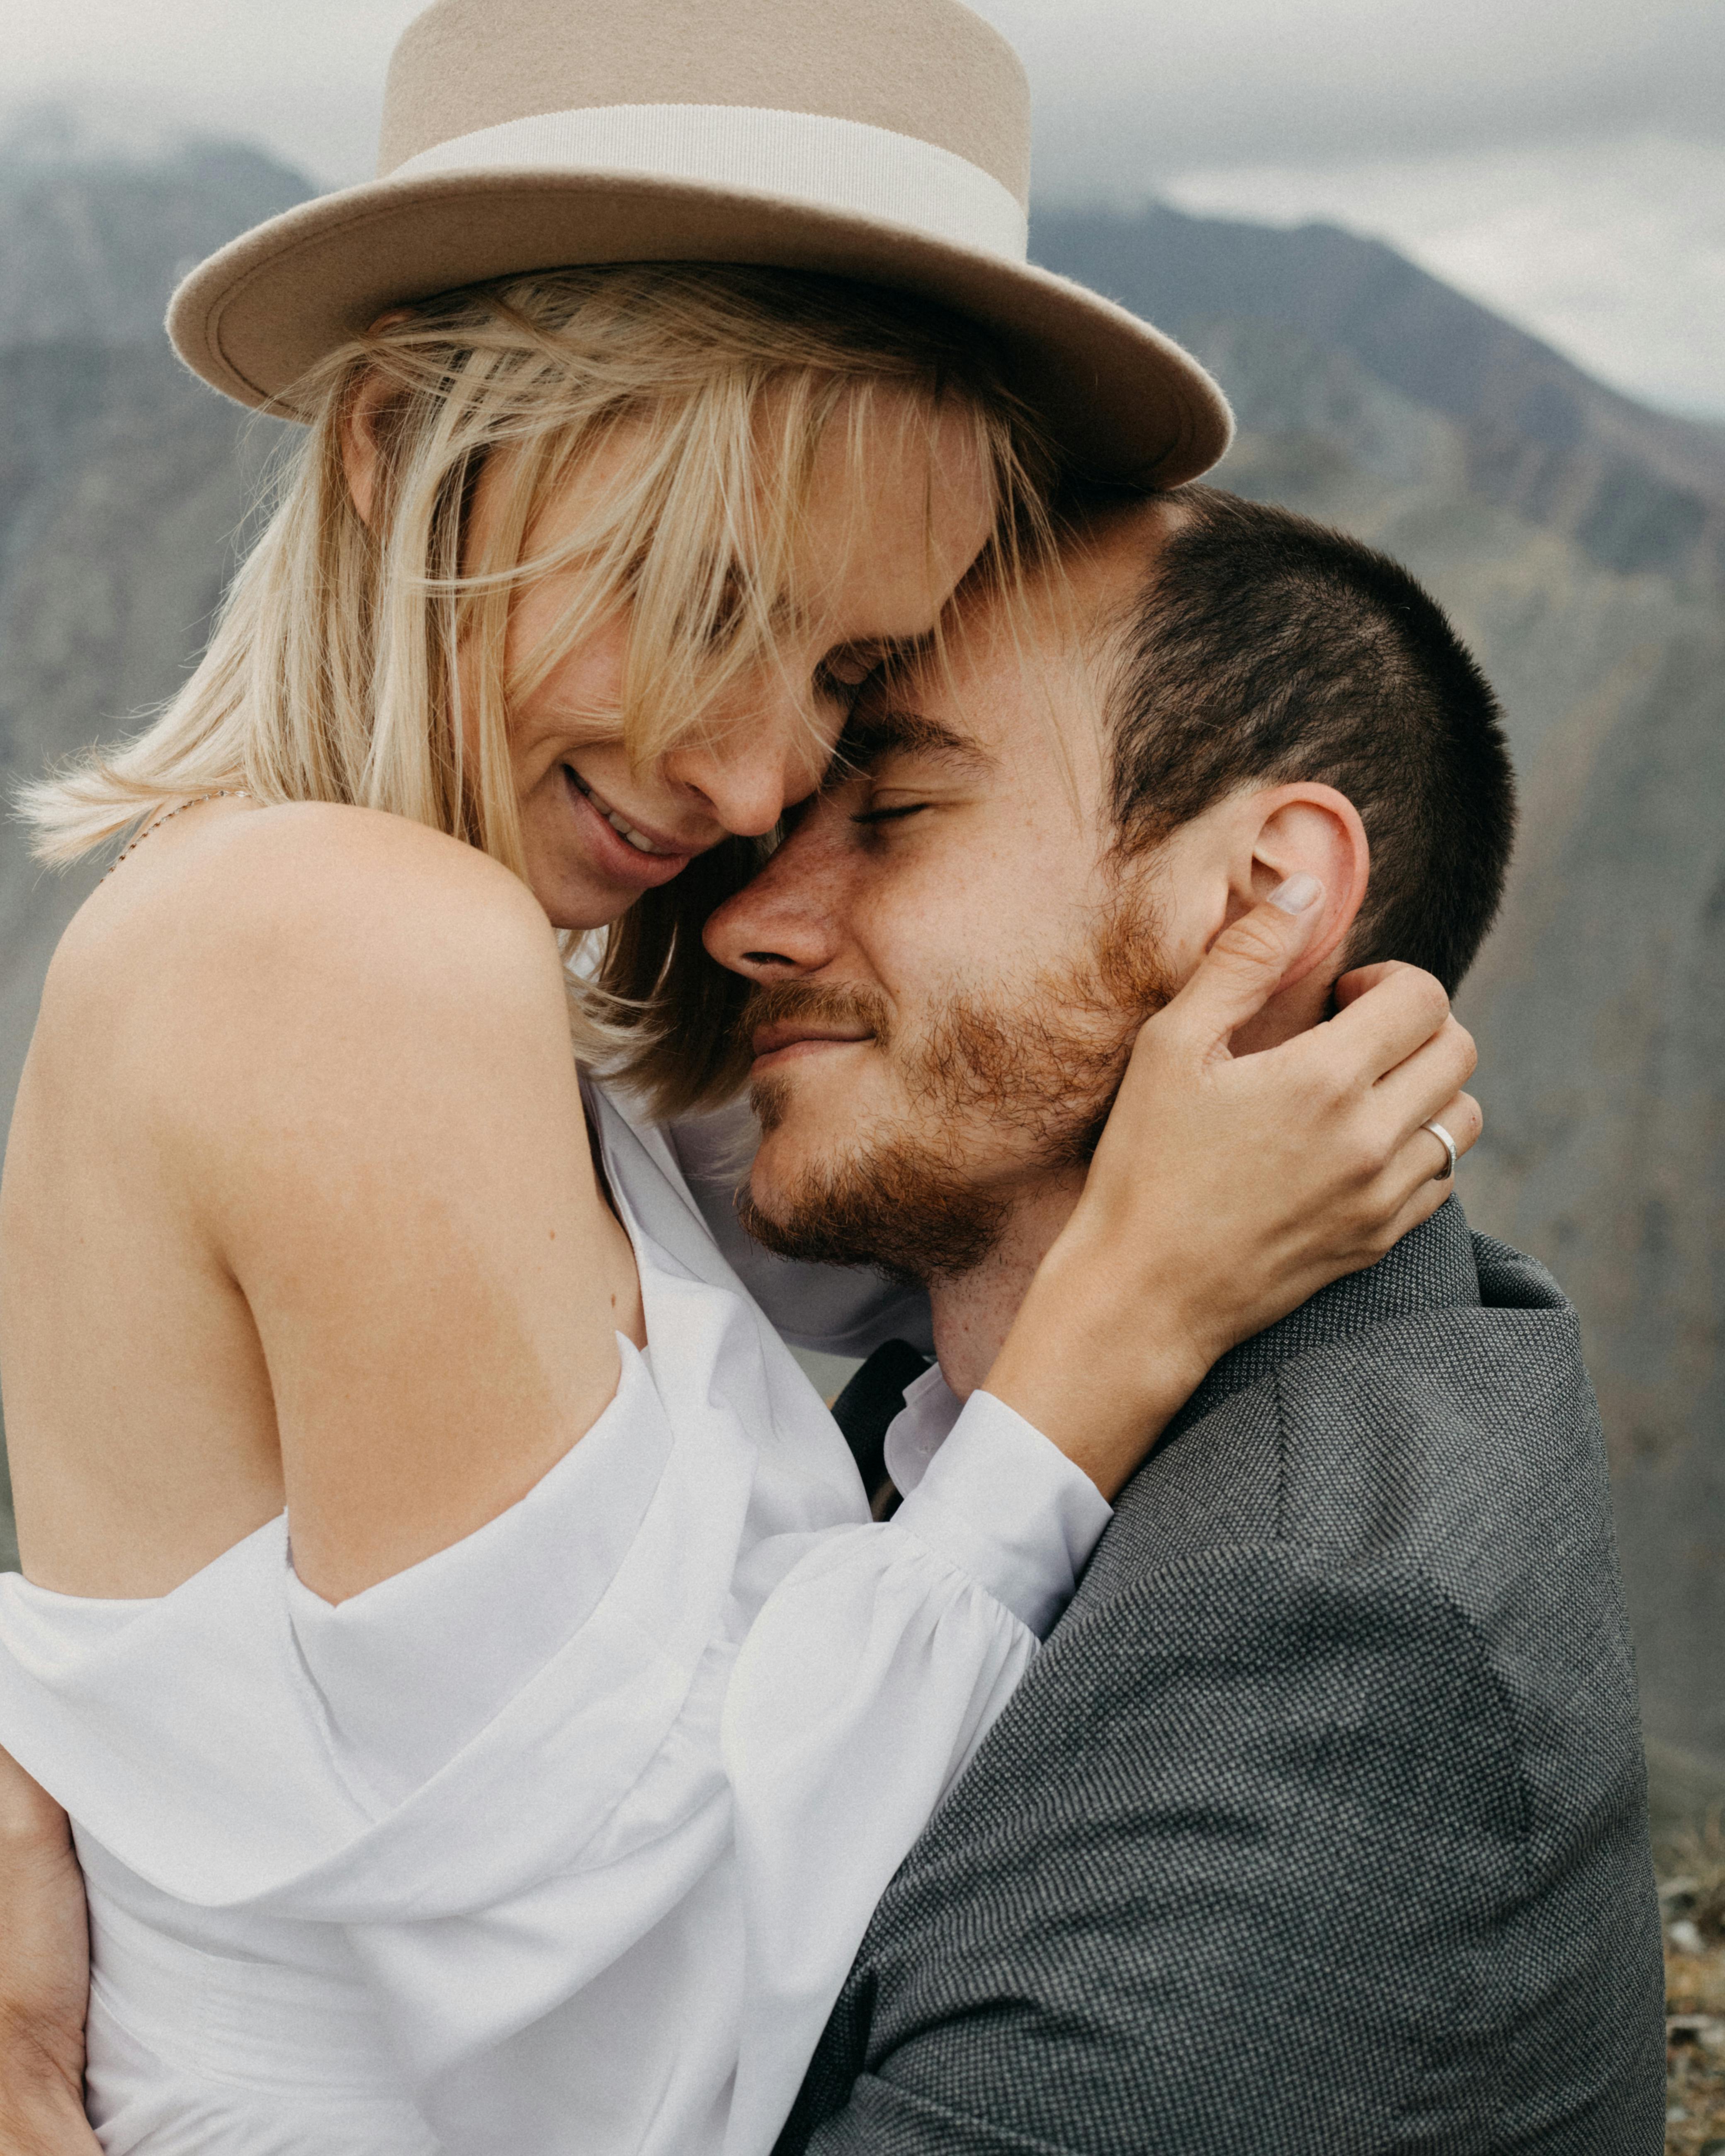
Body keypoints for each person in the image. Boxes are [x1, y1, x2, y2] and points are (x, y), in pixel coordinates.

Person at [0, 1, 1480, 2151]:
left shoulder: (410, 970)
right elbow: (645, 2013)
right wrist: (1124, 1323)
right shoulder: (347, 948)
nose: (759, 773)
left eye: (855, 680)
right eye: (707, 593)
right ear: (398, 450)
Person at [692, 485, 1667, 2155]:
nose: (744, 920)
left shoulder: (1327, 1628)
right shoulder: (954, 1381)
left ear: (1260, 904)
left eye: (898, 808)